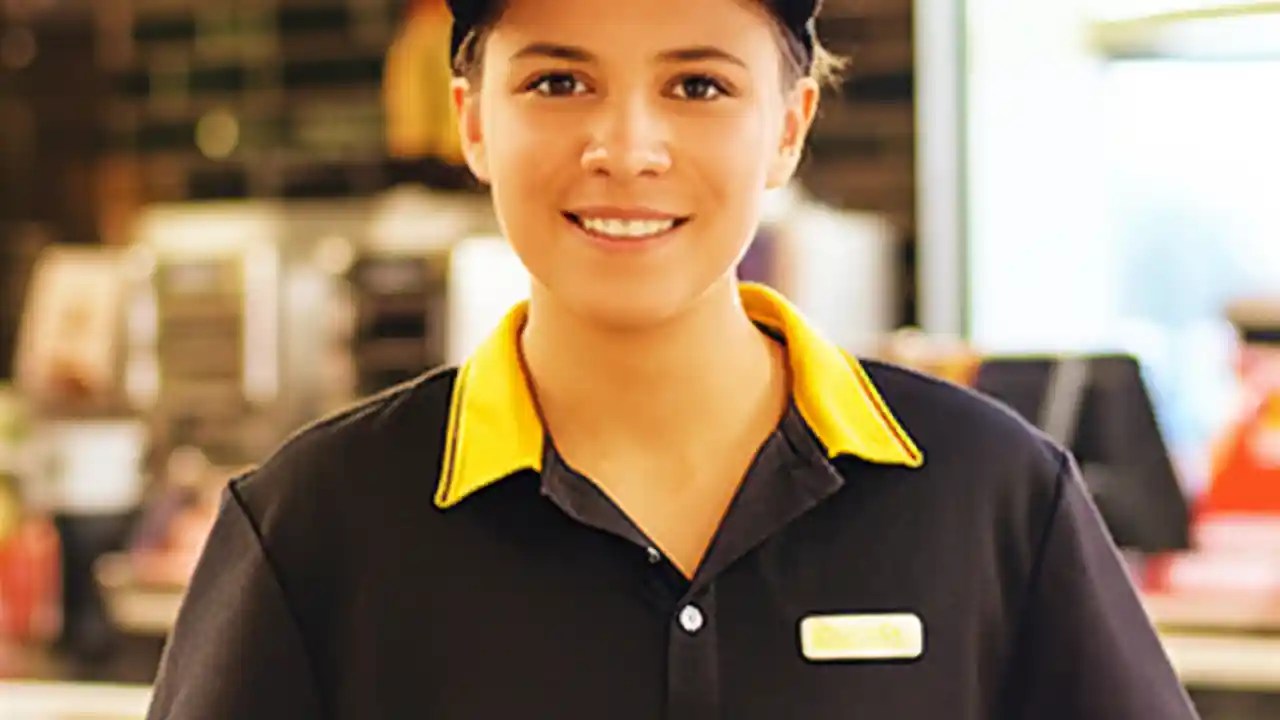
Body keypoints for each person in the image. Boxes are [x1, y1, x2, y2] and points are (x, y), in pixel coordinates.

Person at [146, 0, 1200, 718]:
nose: (626, 147)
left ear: (788, 128)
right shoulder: (313, 524)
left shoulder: (991, 494)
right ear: (471, 120)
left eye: (697, 87)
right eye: (558, 82)